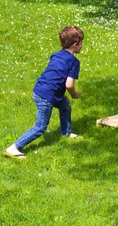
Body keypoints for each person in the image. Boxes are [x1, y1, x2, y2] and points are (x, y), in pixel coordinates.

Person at [4, 26, 84, 160]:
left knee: (65, 105)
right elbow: (69, 84)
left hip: (41, 90)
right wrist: (74, 94)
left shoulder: (57, 54)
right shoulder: (74, 62)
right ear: (75, 45)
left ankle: (66, 133)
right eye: (81, 43)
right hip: (47, 96)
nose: (82, 46)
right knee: (40, 127)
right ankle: (14, 148)